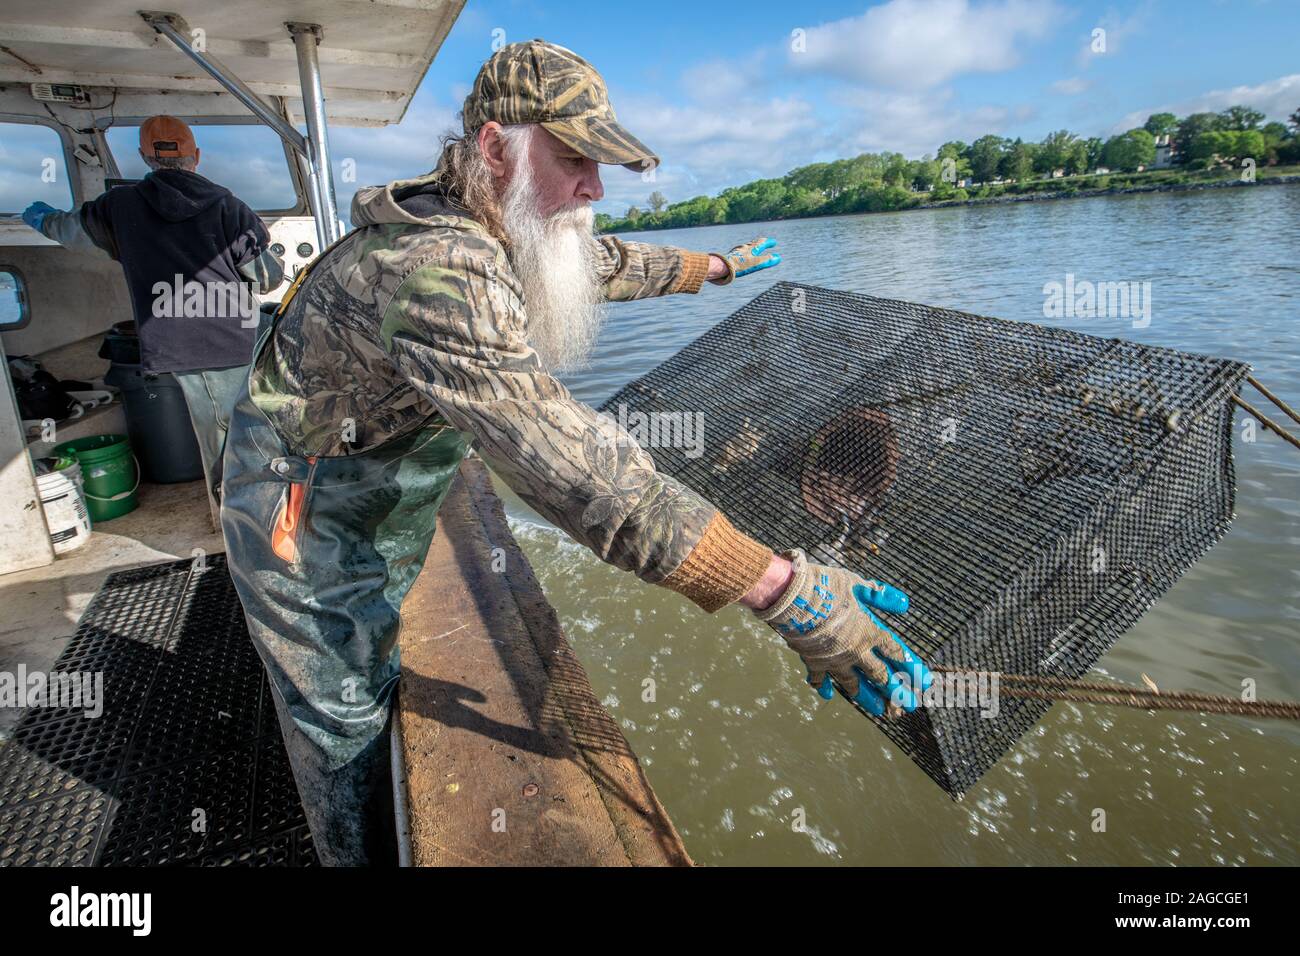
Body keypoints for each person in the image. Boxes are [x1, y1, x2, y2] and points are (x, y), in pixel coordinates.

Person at [220, 39, 931, 865]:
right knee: (339, 709)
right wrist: (785, 590)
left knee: (378, 646)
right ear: (493, 148)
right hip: (301, 501)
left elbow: (605, 262)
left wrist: (715, 265)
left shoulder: (497, 218)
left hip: (383, 469)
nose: (596, 187)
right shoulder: (438, 269)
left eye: (602, 164)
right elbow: (576, 469)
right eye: (574, 160)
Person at [22, 115, 284, 528]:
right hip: (229, 338)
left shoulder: (118, 205)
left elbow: (71, 231)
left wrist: (42, 218)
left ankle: (239, 518)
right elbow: (266, 278)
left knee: (215, 431)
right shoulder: (228, 205)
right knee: (236, 435)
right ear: (195, 157)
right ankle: (240, 529)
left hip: (172, 343)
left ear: (145, 157)